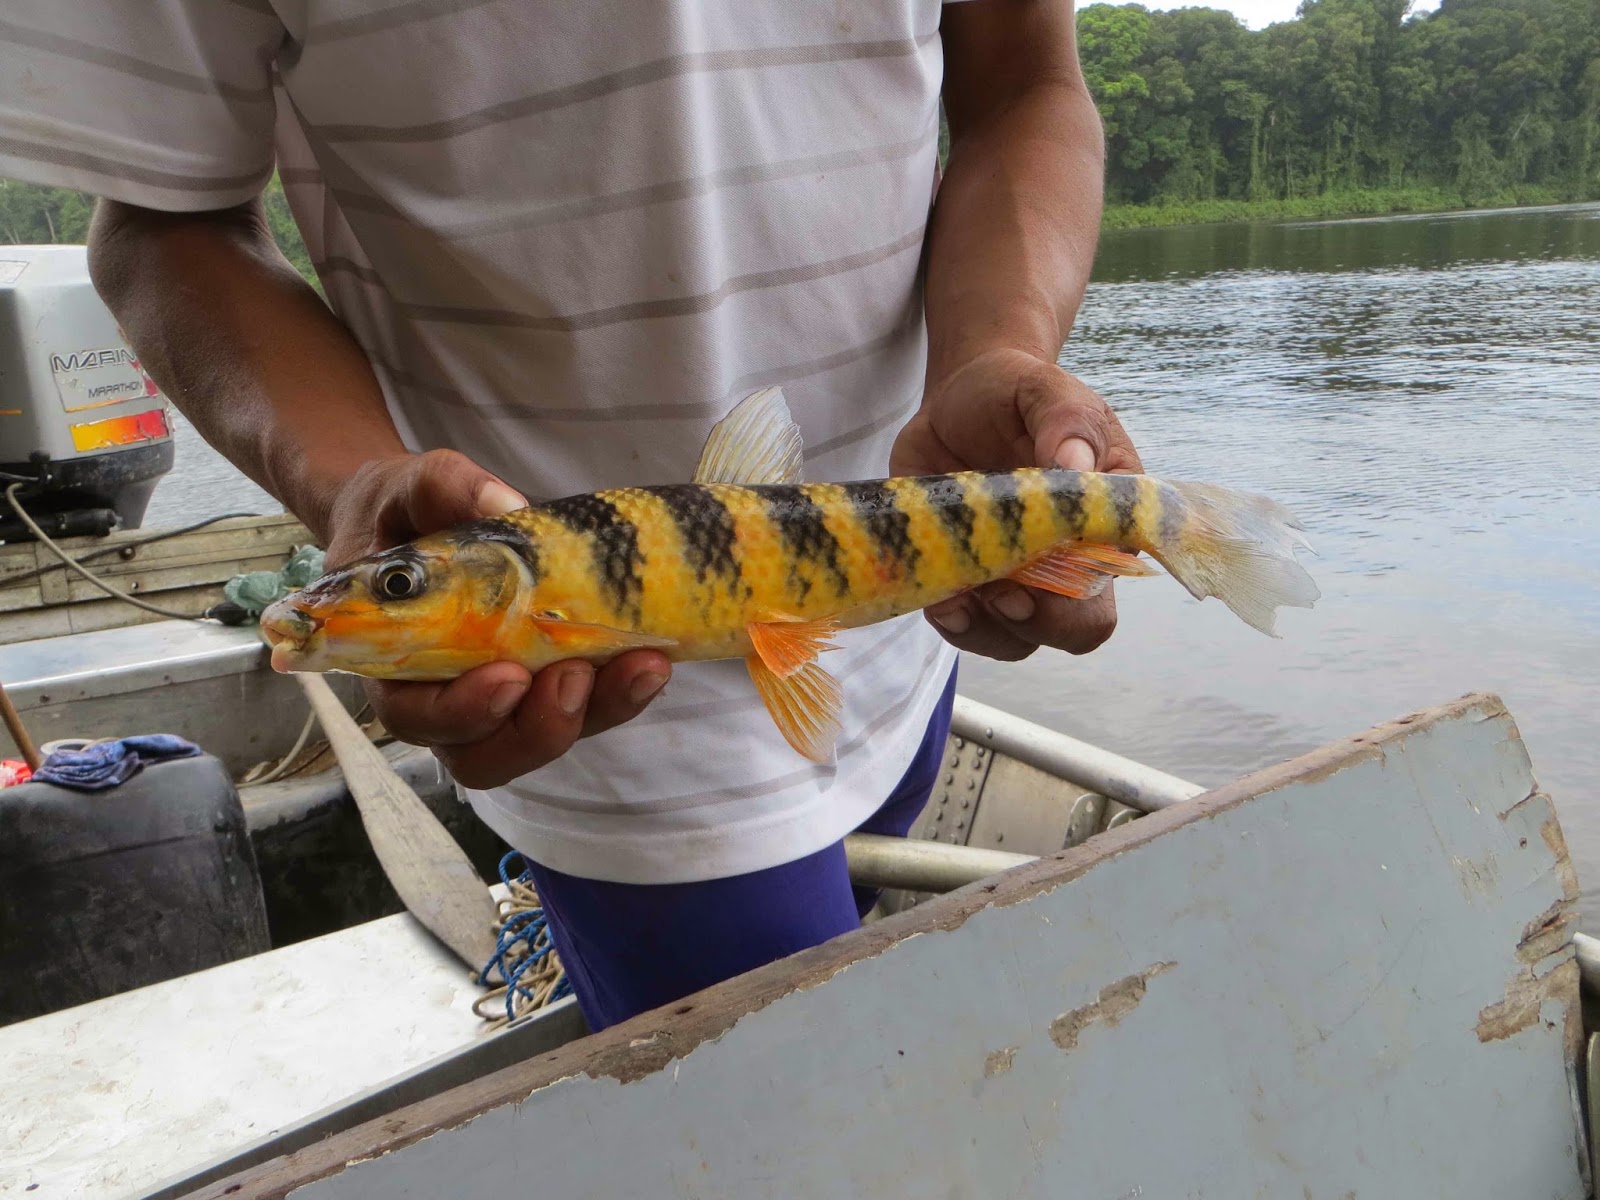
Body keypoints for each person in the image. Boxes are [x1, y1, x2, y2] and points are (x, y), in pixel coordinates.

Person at [0, 0, 1141, 1031]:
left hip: (909, 640)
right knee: (772, 1123)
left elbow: (1023, 84)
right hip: (628, 763)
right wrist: (349, 484)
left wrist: (1001, 351)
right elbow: (163, 223)